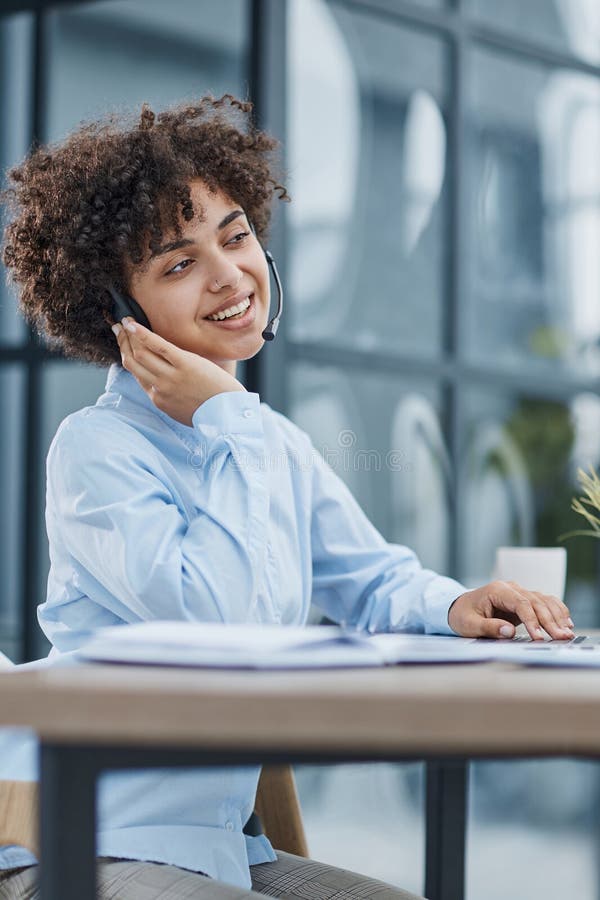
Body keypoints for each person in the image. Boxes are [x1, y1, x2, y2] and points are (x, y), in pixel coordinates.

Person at [0, 94, 574, 900]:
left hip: (227, 847)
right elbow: (220, 627)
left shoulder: (267, 443)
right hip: (92, 842)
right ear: (117, 314)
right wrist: (229, 415)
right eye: (178, 263)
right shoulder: (98, 452)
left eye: (235, 238)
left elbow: (371, 580)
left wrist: (459, 606)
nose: (229, 273)